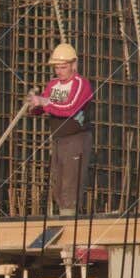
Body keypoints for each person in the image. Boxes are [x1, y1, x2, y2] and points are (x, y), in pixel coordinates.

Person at [29, 42, 95, 216]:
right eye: (56, 67)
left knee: (71, 183)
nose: (59, 71)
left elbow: (70, 108)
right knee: (58, 182)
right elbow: (43, 106)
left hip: (76, 139)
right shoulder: (53, 85)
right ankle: (63, 215)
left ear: (74, 65)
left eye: (63, 67)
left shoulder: (82, 84)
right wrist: (34, 106)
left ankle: (68, 220)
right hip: (58, 139)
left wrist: (45, 103)